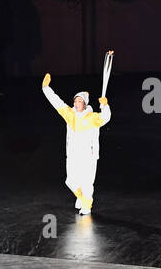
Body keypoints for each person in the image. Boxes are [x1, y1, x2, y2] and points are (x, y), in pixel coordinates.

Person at [40, 72, 112, 216]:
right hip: (73, 154)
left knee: (87, 182)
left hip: (88, 155)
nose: (77, 104)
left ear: (85, 104)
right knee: (70, 181)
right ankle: (81, 197)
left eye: (80, 101)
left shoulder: (92, 117)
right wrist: (46, 88)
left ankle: (86, 205)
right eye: (75, 101)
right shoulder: (70, 114)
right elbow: (57, 102)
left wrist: (105, 106)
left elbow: (106, 117)